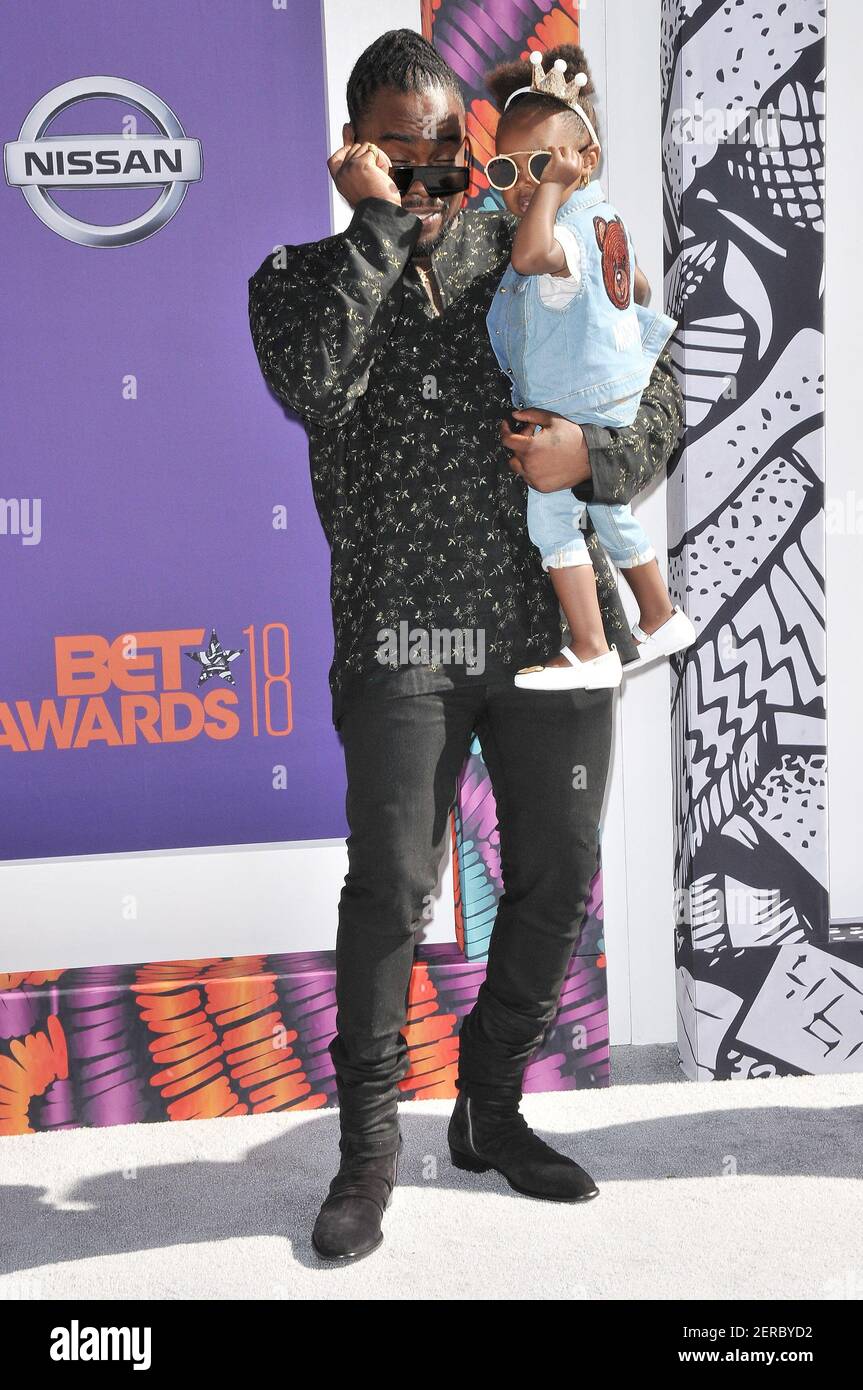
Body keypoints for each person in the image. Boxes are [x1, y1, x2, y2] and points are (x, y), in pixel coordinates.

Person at [247, 28, 683, 1263]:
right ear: (355, 152)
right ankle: (366, 1156)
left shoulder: (542, 240)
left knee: (558, 873)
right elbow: (313, 387)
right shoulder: (300, 277)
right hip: (400, 636)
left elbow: (647, 387)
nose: (437, 176)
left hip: (549, 625)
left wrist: (589, 461)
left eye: (451, 152)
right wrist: (379, 234)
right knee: (389, 886)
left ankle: (489, 1111)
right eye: (405, 154)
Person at [484, 45, 696, 690]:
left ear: (585, 161)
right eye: (504, 171)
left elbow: (530, 257)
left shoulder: (565, 225)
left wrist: (549, 193)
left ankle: (590, 645)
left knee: (548, 520)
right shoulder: (605, 219)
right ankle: (660, 617)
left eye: (542, 164)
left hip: (580, 402)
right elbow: (635, 288)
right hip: (606, 394)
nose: (525, 184)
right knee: (609, 512)